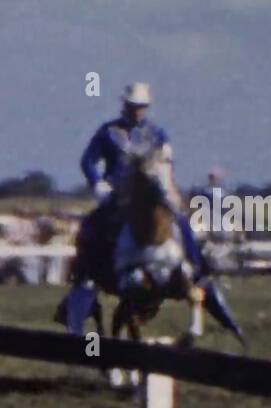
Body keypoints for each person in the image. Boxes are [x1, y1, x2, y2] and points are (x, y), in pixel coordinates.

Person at [62, 83, 241, 340]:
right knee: (91, 225)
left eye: (141, 107)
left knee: (182, 223)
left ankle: (197, 270)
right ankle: (85, 274)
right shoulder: (109, 132)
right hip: (116, 194)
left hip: (152, 194)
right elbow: (87, 160)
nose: (137, 112)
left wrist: (169, 190)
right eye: (133, 107)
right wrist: (98, 183)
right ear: (125, 105)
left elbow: (167, 164)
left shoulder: (157, 133)